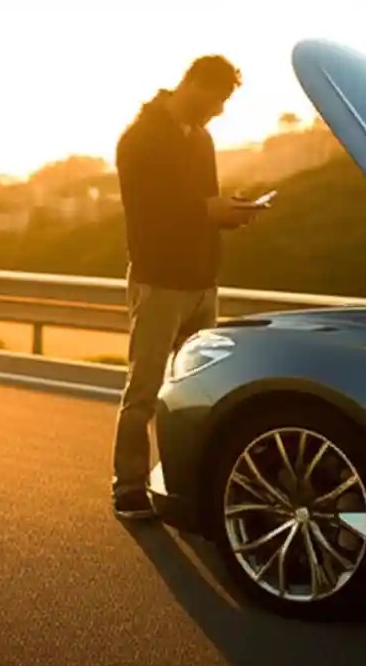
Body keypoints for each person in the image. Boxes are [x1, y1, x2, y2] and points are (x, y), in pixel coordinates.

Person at [111, 55, 258, 519]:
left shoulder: (203, 141)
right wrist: (209, 211)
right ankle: (128, 487)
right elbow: (151, 213)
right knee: (145, 389)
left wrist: (229, 215)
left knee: (197, 394)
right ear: (193, 84)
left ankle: (185, 486)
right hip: (159, 281)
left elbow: (201, 206)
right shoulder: (139, 139)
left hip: (201, 282)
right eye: (218, 99)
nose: (220, 111)